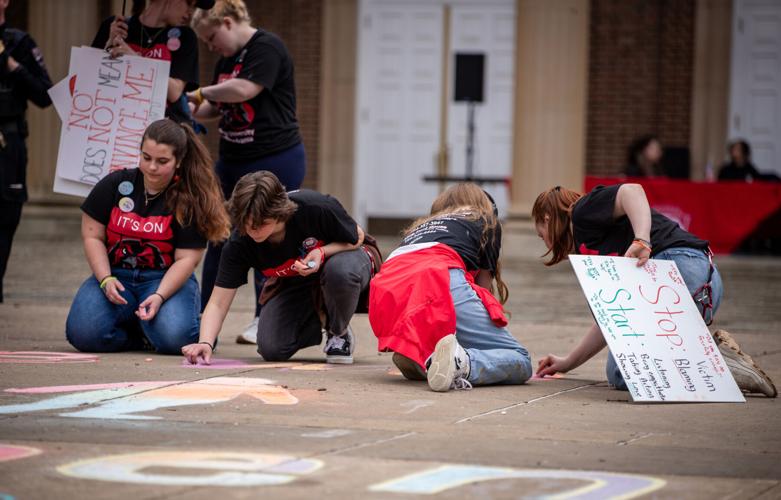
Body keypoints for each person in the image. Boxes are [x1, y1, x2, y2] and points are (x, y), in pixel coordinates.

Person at [532, 184, 777, 397]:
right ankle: (721, 364)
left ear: (546, 218)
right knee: (620, 374)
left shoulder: (581, 211)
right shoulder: (588, 246)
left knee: (638, 371)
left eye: (540, 234)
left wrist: (641, 240)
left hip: (679, 266)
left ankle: (712, 362)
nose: (543, 240)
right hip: (702, 285)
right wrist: (567, 362)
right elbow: (613, 321)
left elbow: (632, 191)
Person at [187, 0, 307, 344]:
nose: (211, 47)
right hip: (233, 160)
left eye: (211, 38)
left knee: (267, 233)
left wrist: (195, 92)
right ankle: (203, 317)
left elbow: (244, 89)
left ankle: (263, 316)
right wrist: (187, 109)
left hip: (275, 157)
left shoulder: (267, 48)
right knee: (218, 236)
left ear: (226, 23)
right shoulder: (227, 60)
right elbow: (215, 105)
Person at [66, 119, 230, 354]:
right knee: (83, 335)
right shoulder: (115, 183)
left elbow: (187, 259)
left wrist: (159, 296)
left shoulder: (188, 198)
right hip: (115, 275)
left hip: (163, 278)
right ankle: (139, 334)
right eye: (146, 157)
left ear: (179, 161)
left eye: (162, 161)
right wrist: (105, 279)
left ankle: (178, 327)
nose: (152, 167)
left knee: (177, 340)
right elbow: (92, 236)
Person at [181, 171, 379, 365]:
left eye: (261, 223)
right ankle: (322, 315)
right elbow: (218, 302)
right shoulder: (240, 242)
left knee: (339, 271)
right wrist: (205, 342)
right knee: (272, 347)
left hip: (349, 260)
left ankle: (339, 332)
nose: (253, 231)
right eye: (246, 223)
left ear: (278, 213)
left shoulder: (314, 207)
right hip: (298, 281)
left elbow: (357, 237)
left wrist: (323, 252)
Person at [369, 184, 532, 392]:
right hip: (437, 278)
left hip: (386, 289)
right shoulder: (485, 219)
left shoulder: (424, 225)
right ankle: (461, 364)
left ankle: (421, 359)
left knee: (449, 338)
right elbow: (482, 287)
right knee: (520, 359)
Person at [0, 0, 52, 304]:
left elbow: (46, 95)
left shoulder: (19, 43)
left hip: (8, 142)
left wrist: (10, 64)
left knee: (6, 217)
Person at [92, 0, 213, 124]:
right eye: (189, 4)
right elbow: (88, 76)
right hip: (112, 122)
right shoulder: (117, 26)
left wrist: (135, 60)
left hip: (159, 131)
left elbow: (174, 92)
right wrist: (108, 43)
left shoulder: (186, 37)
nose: (191, 12)